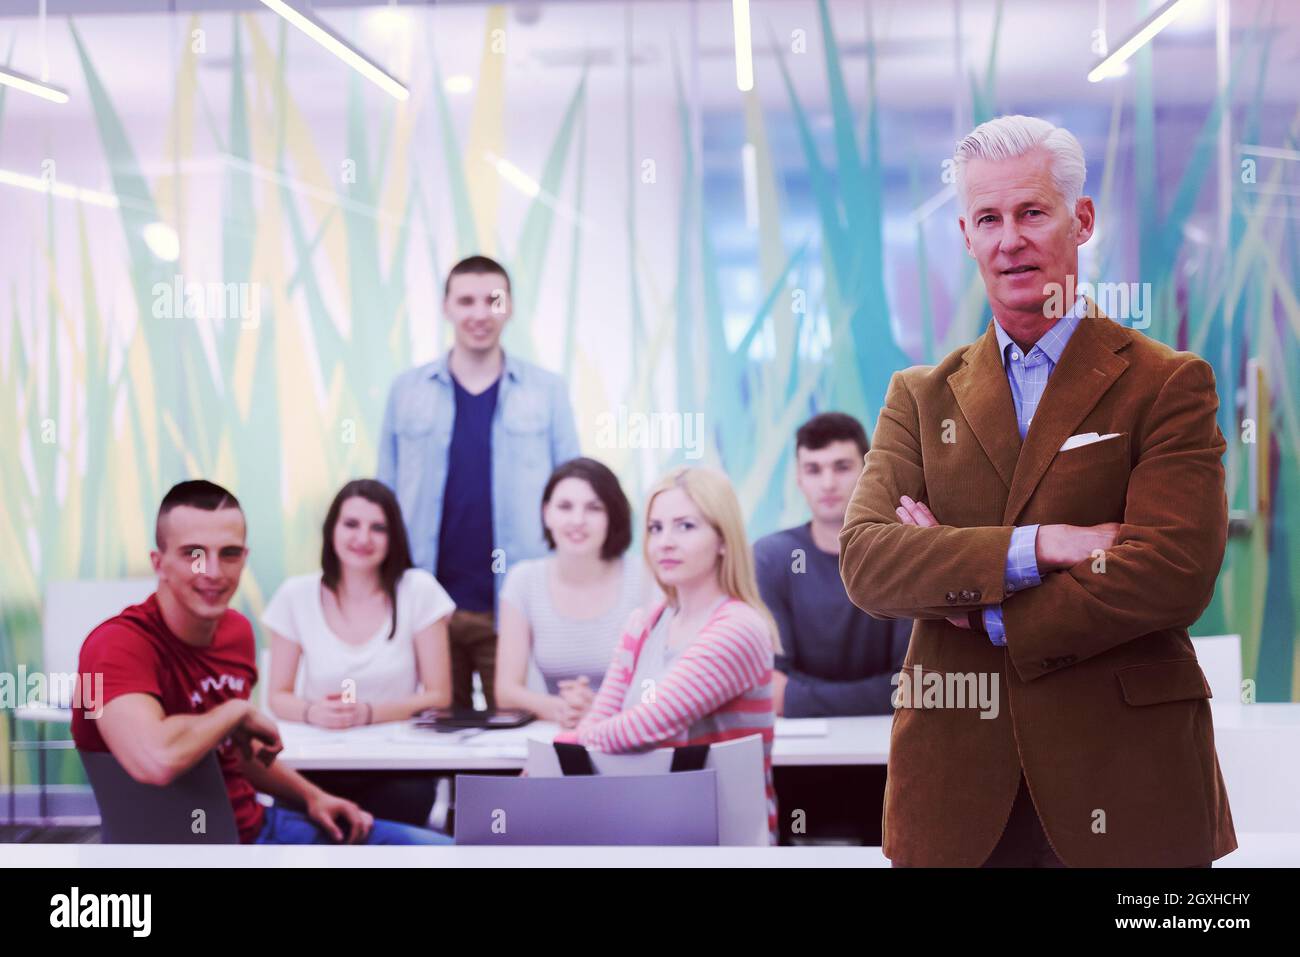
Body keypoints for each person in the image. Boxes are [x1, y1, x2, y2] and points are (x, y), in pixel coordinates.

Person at [839, 115, 1235, 867]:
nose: (1009, 239)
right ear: (965, 234)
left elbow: (1171, 574)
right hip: (956, 791)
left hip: (1128, 781)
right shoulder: (919, 398)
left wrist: (979, 603)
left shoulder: (1167, 384)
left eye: (1031, 212)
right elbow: (867, 561)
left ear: (1080, 220)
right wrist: (1041, 546)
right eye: (988, 218)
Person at [71, 480, 448, 844]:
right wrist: (236, 711)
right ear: (159, 562)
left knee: (451, 855)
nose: (214, 572)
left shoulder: (235, 631)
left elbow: (231, 753)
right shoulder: (114, 646)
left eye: (230, 554)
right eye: (194, 555)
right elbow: (157, 759)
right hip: (185, 852)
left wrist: (312, 797)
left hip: (257, 830)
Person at [378, 254, 581, 712]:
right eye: (465, 300)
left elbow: (573, 491)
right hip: (426, 603)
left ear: (509, 307)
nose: (479, 313)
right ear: (446, 307)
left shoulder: (546, 391)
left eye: (492, 300)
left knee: (516, 743)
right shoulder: (405, 390)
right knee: (426, 747)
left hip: (512, 605)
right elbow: (384, 497)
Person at [559, 466, 780, 845]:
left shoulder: (739, 627)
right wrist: (571, 745)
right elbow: (603, 715)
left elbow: (646, 725)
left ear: (723, 539)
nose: (665, 542)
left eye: (685, 526)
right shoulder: (645, 621)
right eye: (656, 528)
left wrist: (561, 750)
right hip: (647, 822)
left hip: (723, 838)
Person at [261, 479, 455, 825]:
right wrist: (311, 712)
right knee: (291, 816)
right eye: (351, 524)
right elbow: (277, 696)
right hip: (315, 766)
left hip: (397, 768)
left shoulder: (418, 590)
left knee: (404, 805)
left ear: (393, 536)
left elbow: (439, 696)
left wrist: (368, 713)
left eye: (377, 528)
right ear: (332, 529)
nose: (363, 538)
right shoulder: (296, 595)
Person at [754, 412, 910, 717]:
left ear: (867, 471)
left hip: (887, 744)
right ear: (798, 479)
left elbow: (912, 686)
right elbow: (769, 685)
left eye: (841, 467)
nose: (827, 483)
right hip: (798, 749)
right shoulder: (770, 558)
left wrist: (796, 699)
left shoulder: (902, 554)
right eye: (813, 469)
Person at [494, 458, 652, 728]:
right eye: (565, 507)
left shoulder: (646, 578)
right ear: (546, 513)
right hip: (559, 733)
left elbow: (658, 685)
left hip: (630, 733)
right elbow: (506, 692)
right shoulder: (523, 580)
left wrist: (599, 709)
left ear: (612, 515)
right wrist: (565, 708)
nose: (577, 520)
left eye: (593, 508)